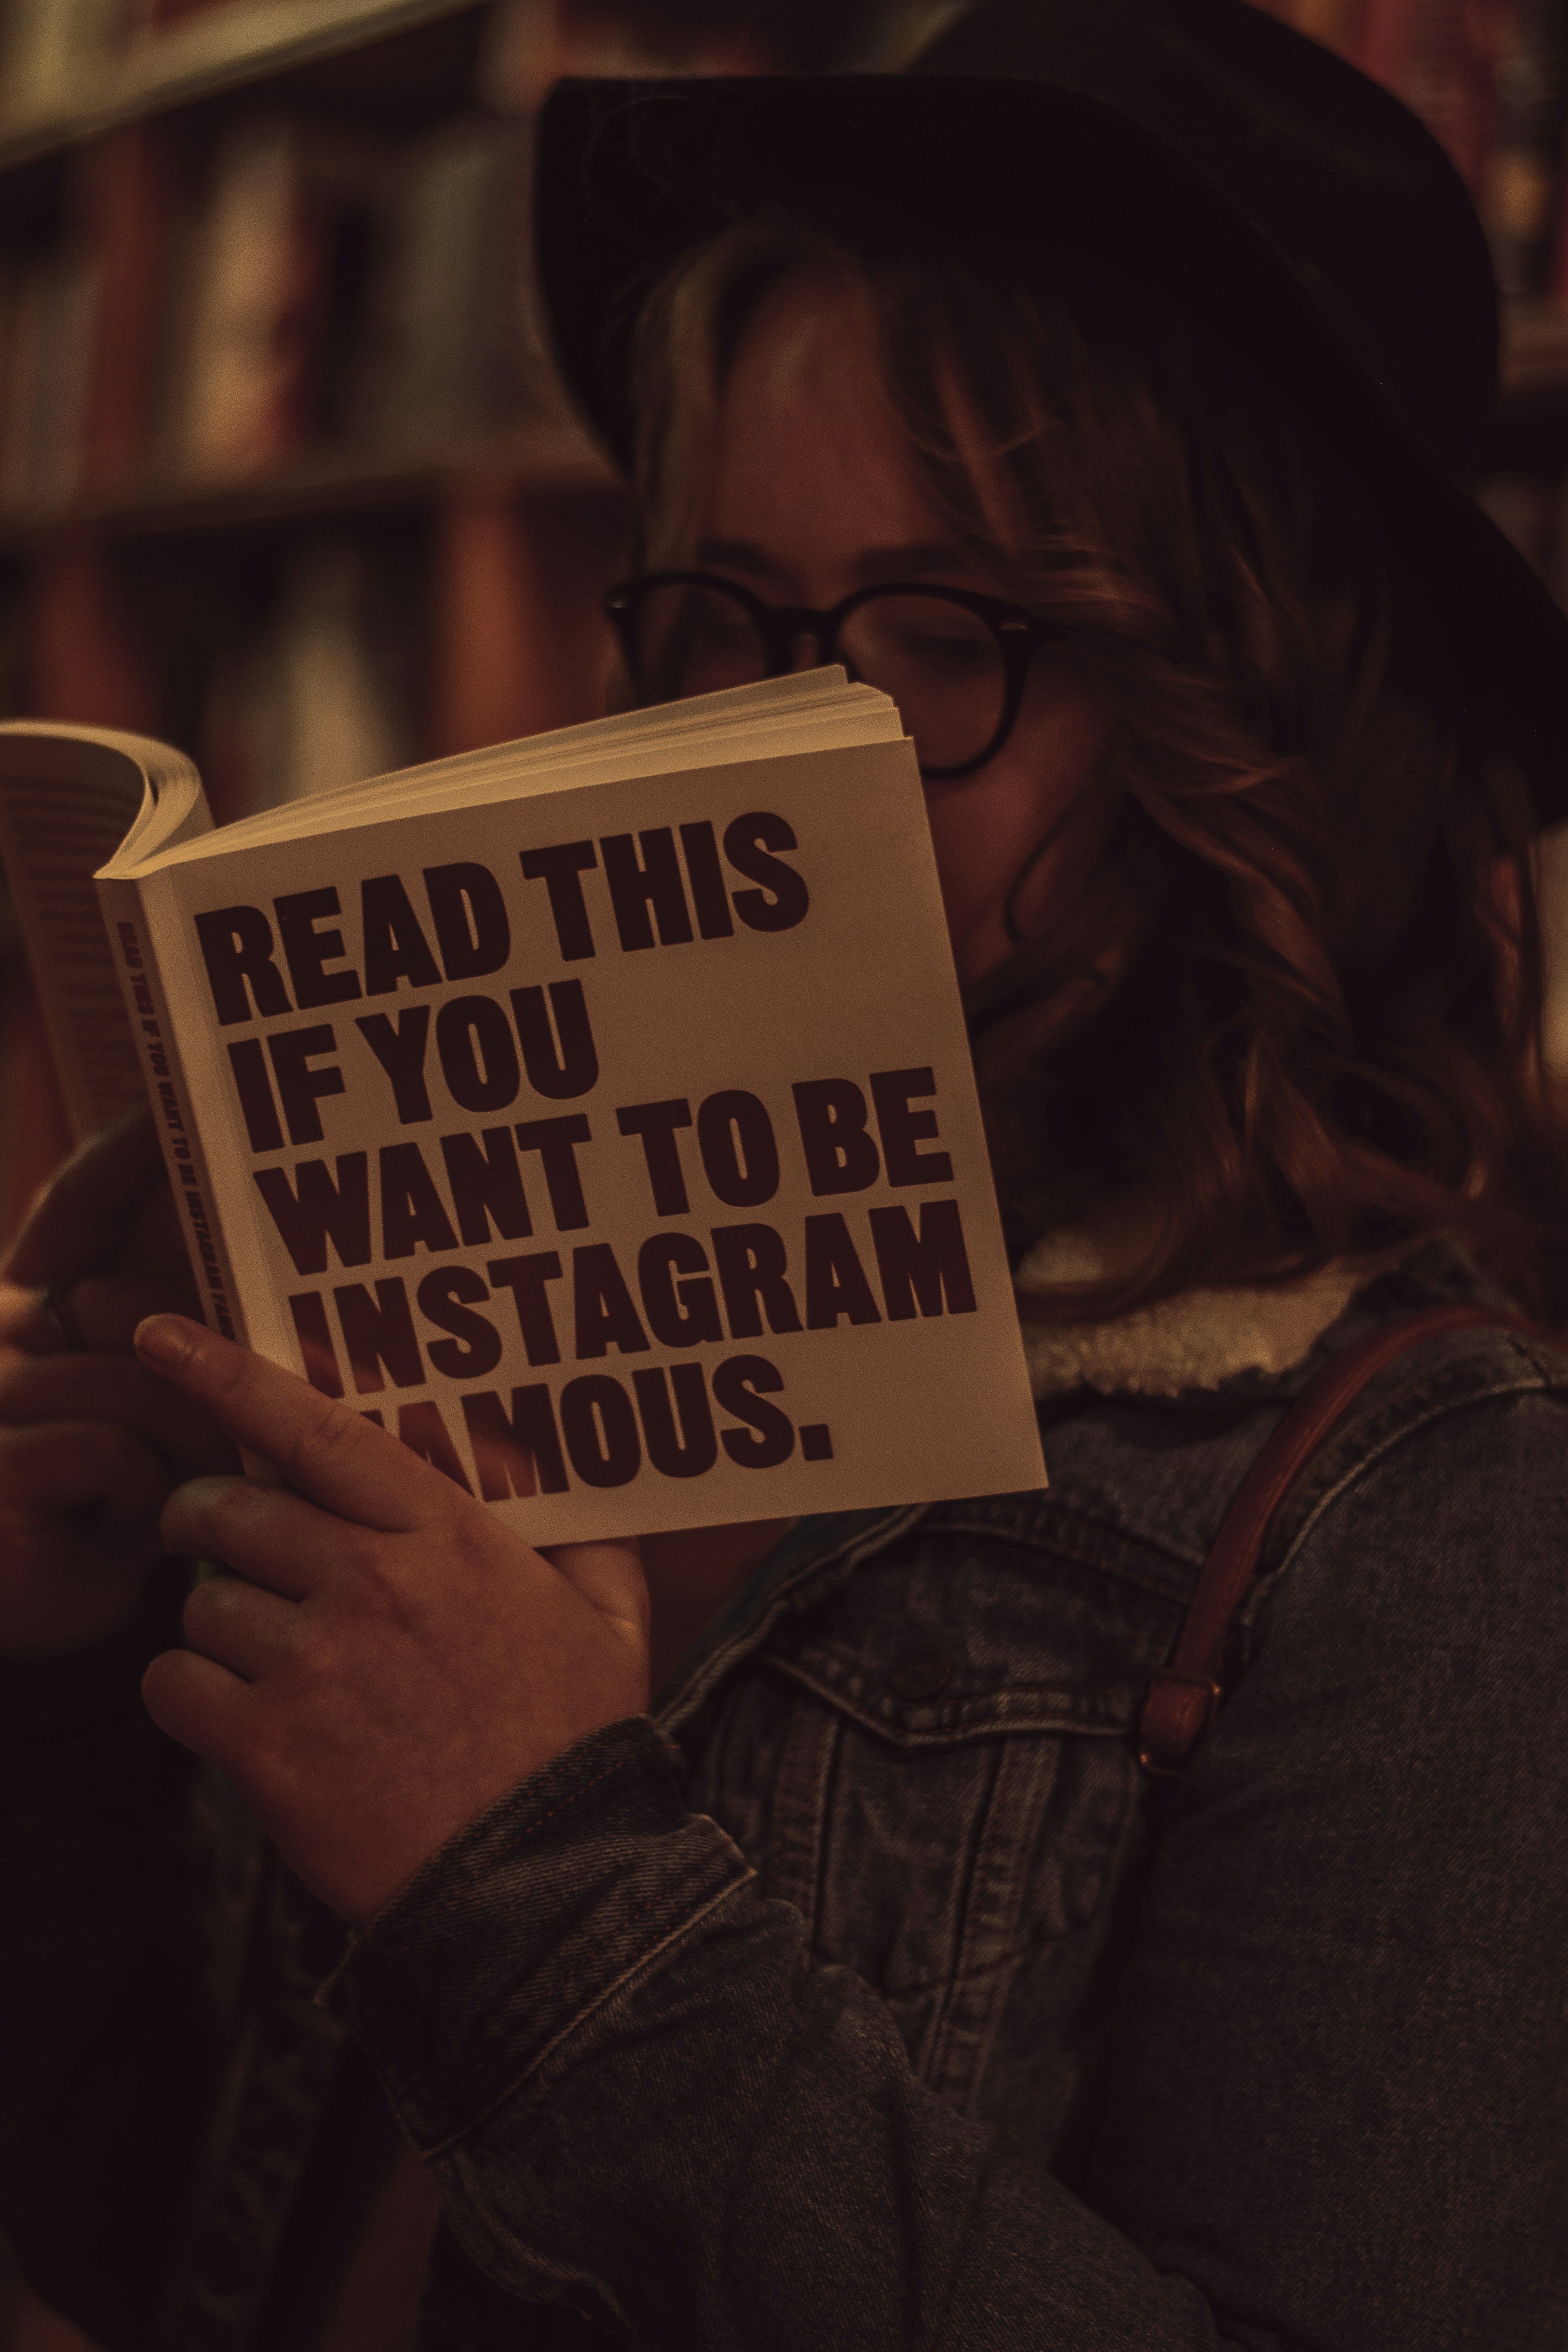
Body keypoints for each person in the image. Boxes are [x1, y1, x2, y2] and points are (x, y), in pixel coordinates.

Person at [3, 2, 1567, 2345]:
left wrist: (528, 1887)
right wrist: (58, 1679)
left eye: (946, 641)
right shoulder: (508, 1266)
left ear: (1254, 710)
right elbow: (178, 2229)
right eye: (729, 624)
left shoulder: (1414, 1514)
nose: (795, 747)